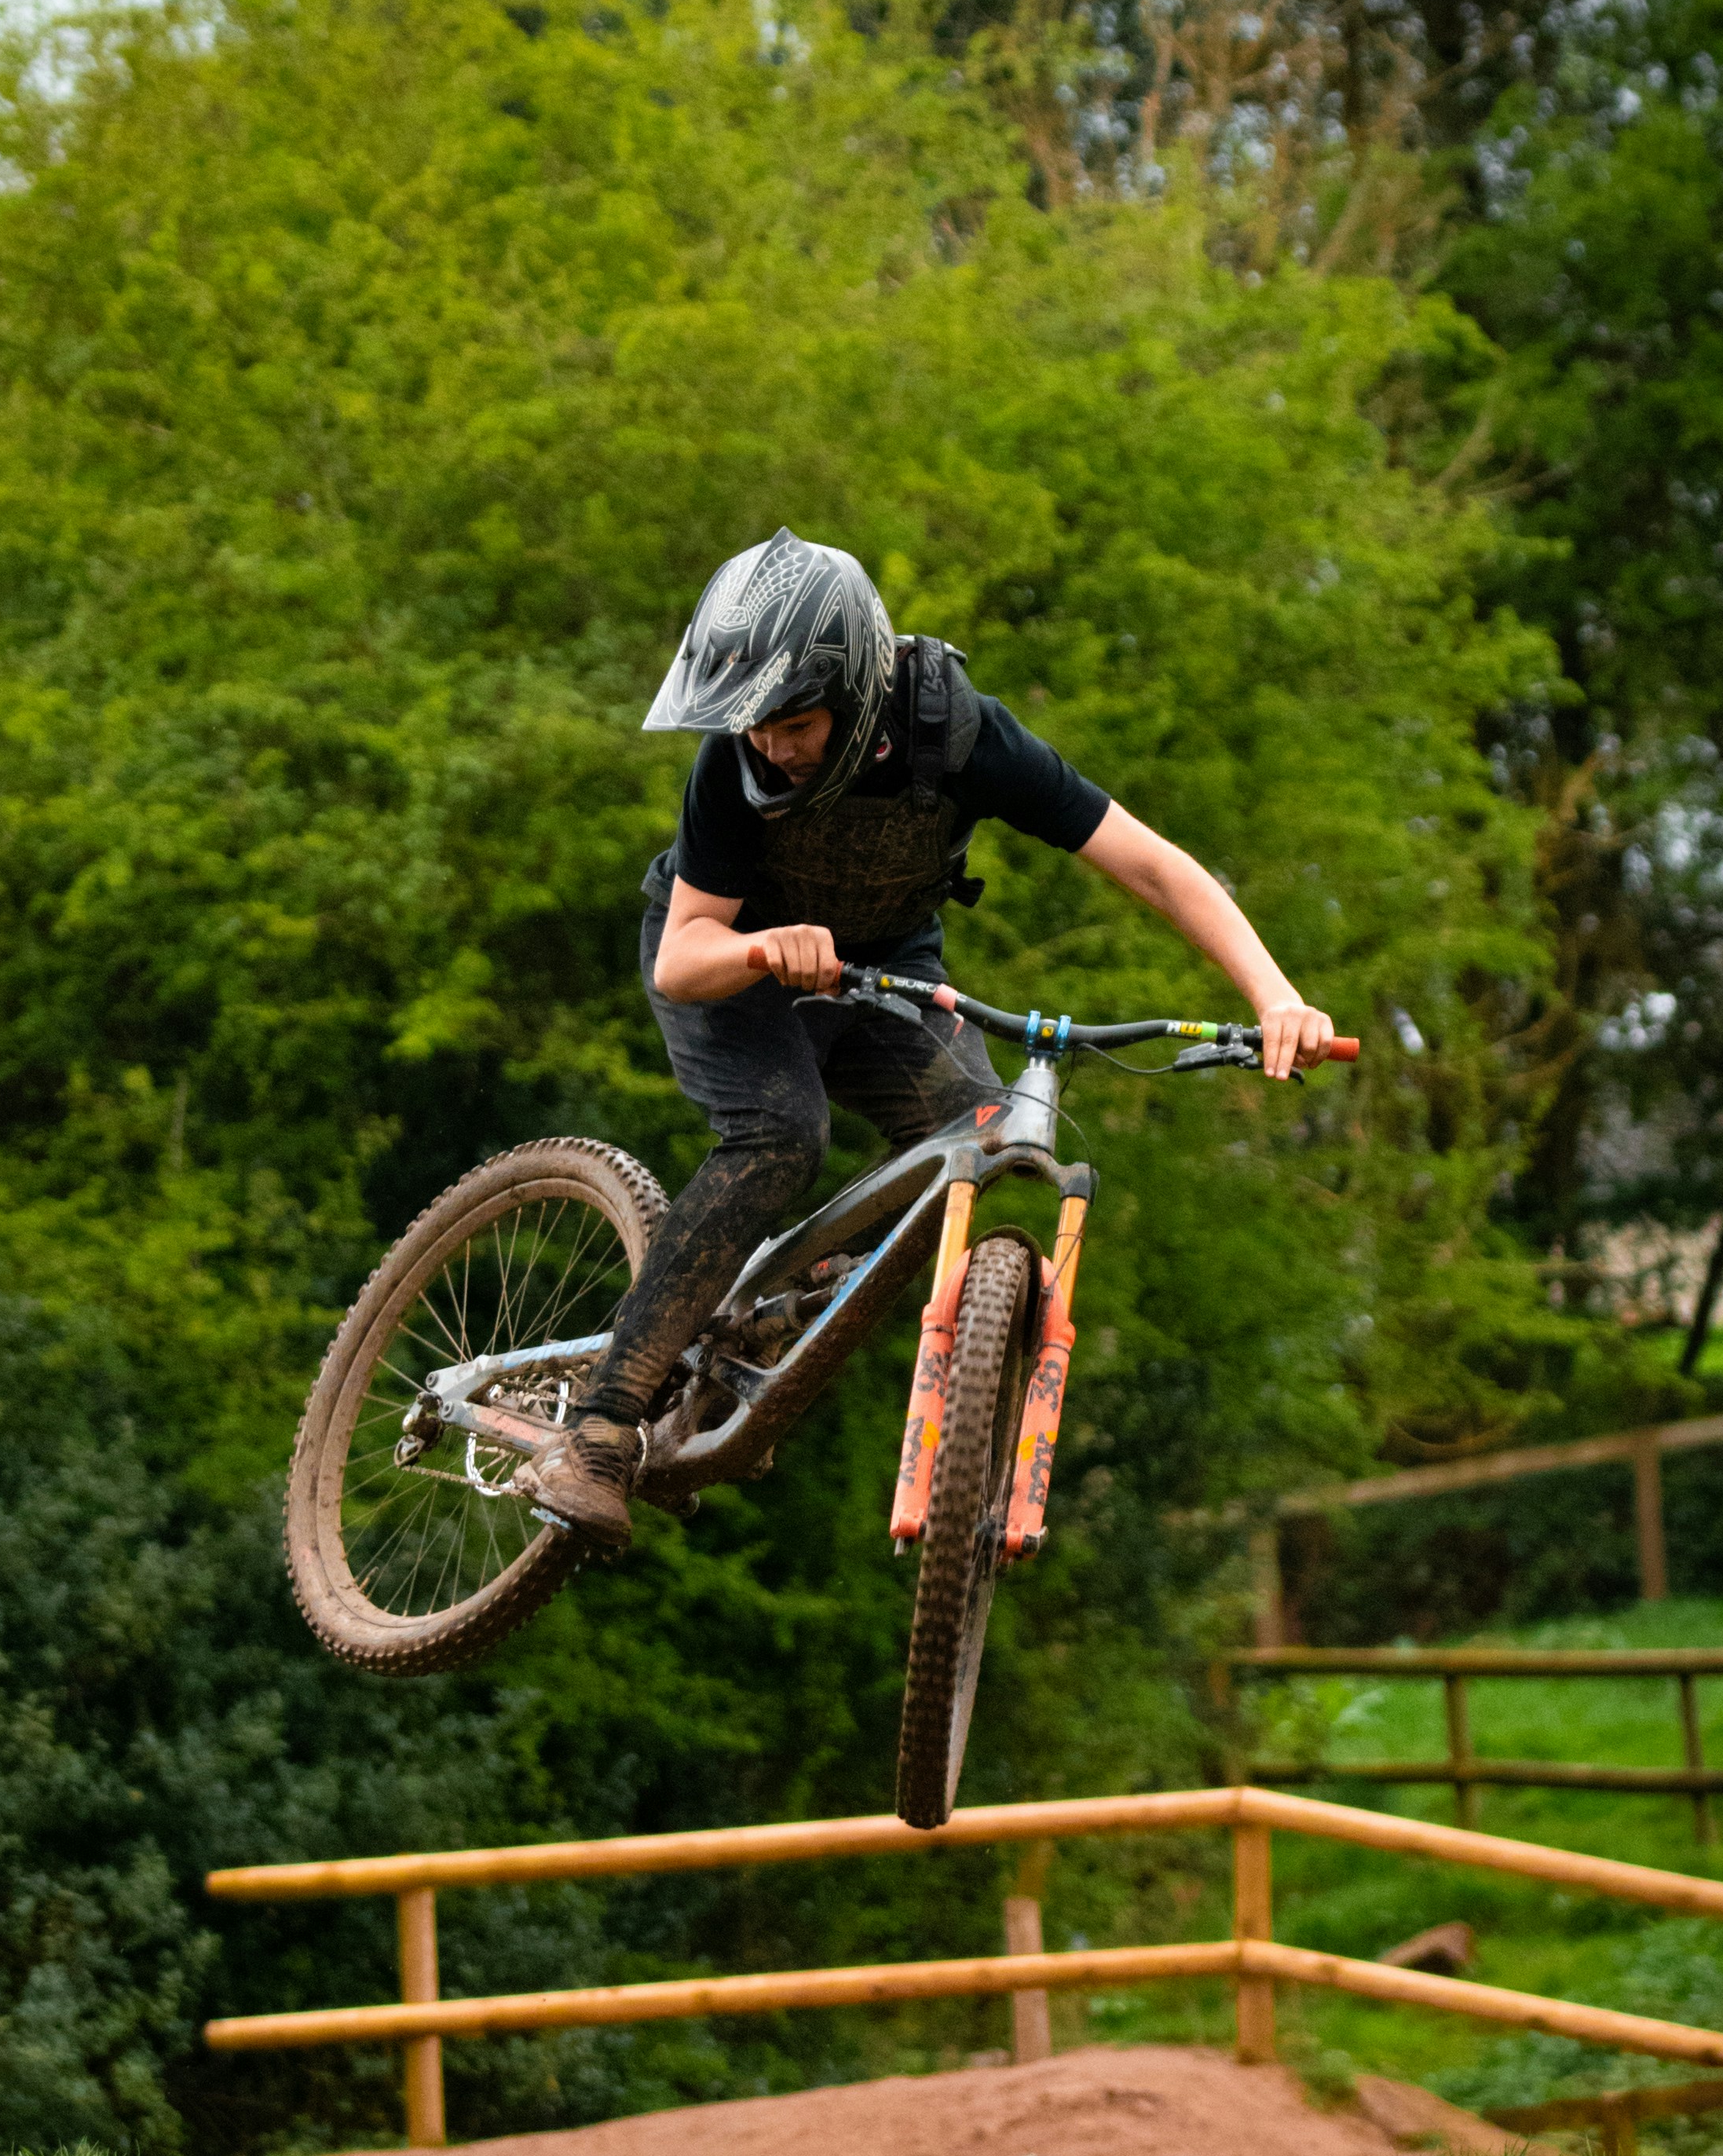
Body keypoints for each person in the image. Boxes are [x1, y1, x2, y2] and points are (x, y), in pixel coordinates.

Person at [529, 527, 1334, 1550]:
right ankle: (599, 1432)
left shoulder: (958, 734)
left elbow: (1152, 866)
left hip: (885, 973)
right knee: (781, 1135)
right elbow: (680, 957)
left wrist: (1275, 997)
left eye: (794, 723)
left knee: (982, 1130)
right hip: (733, 968)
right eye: (751, 725)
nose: (768, 745)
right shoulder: (727, 770)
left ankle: (781, 1314)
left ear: (860, 693)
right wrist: (765, 948)